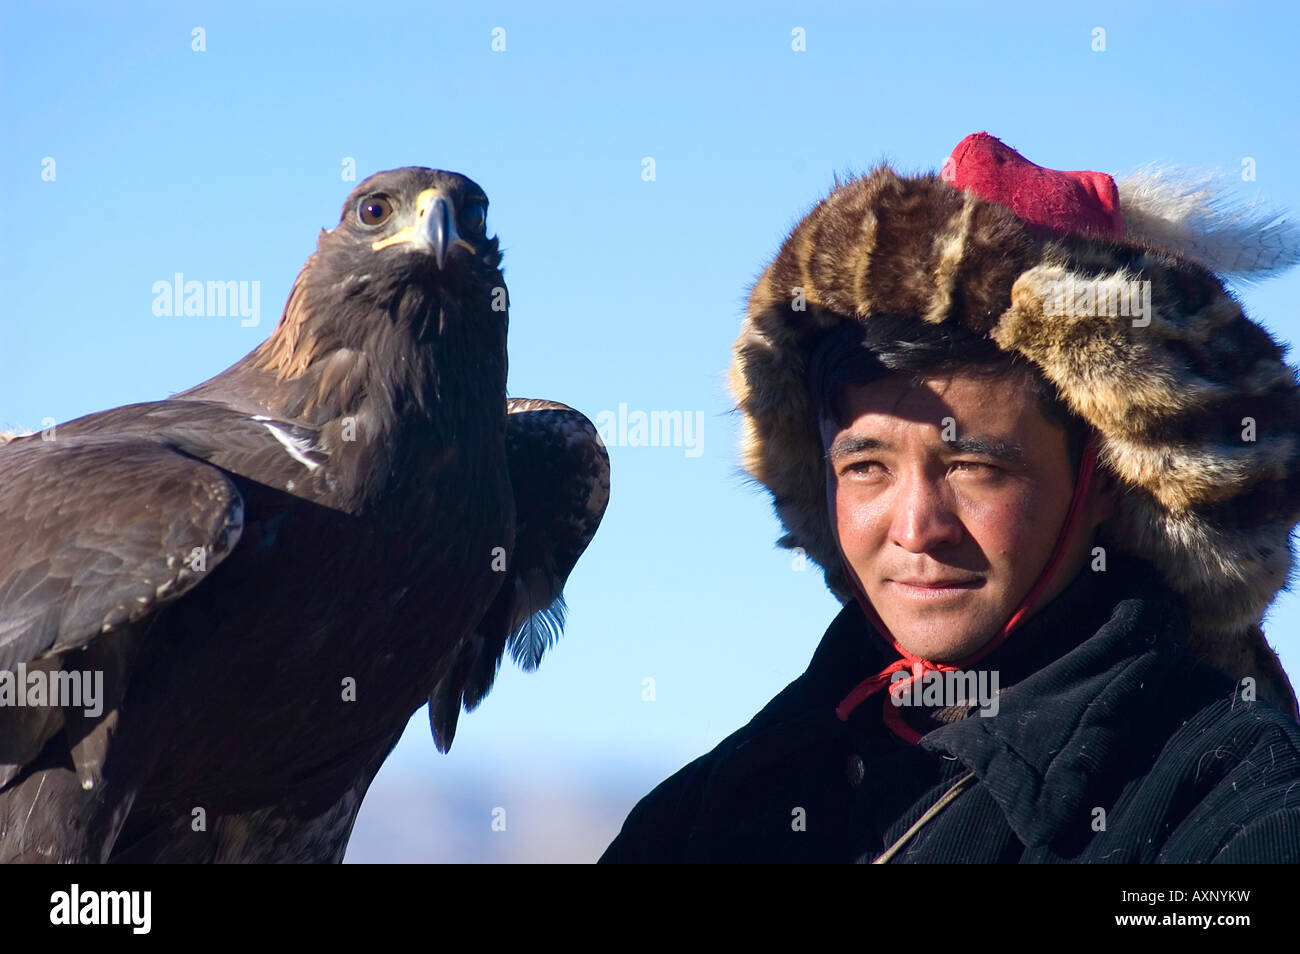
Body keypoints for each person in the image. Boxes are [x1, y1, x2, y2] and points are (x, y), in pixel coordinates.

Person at [600, 132, 1300, 863]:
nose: (915, 529)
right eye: (866, 466)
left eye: (972, 466)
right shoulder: (698, 821)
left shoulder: (1241, 803)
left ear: (1105, 482)